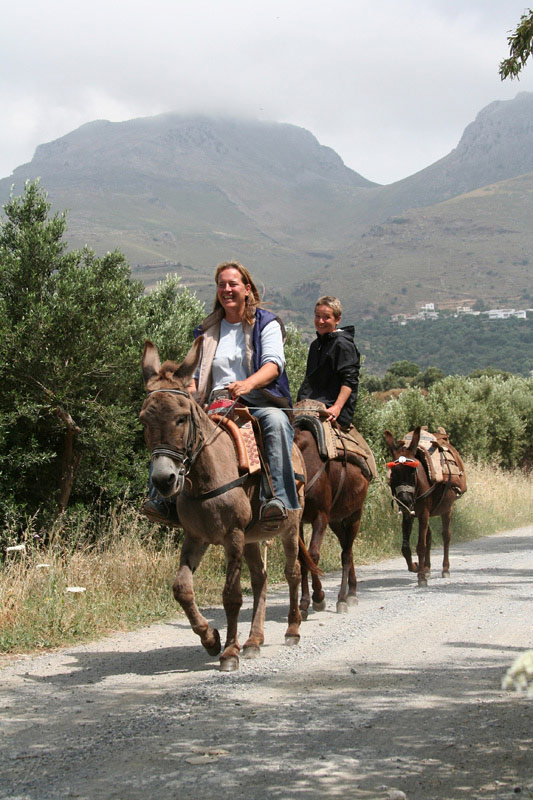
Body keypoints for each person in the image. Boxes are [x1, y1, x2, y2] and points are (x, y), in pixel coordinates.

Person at [142, 260, 300, 527]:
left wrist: (247, 384)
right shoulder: (207, 329)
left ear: (247, 288)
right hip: (214, 404)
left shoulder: (267, 323)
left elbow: (273, 366)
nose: (226, 289)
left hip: (258, 401)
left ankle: (278, 498)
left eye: (233, 284)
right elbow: (195, 376)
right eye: (221, 285)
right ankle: (162, 499)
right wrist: (188, 393)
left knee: (276, 423)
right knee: (169, 419)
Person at [297, 296, 360, 430]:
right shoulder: (315, 345)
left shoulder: (343, 345)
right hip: (310, 407)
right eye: (317, 316)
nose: (320, 321)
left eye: (326, 317)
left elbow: (349, 381)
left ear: (337, 319)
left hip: (332, 411)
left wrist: (337, 407)